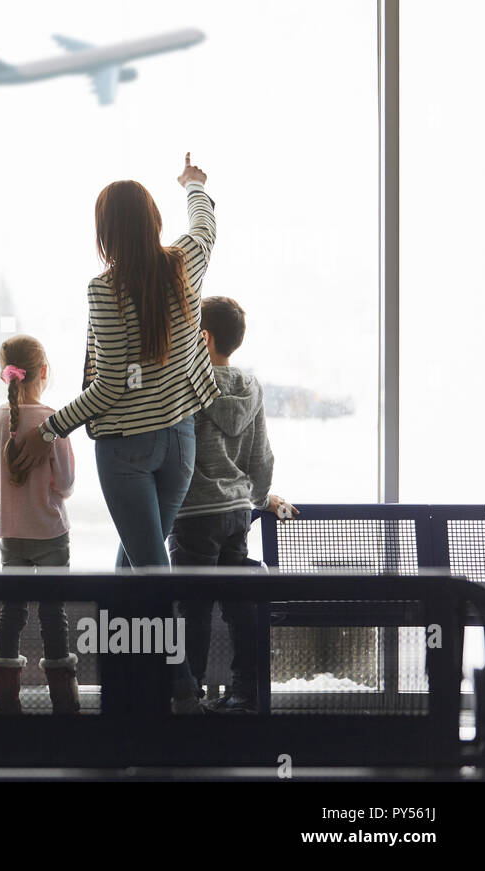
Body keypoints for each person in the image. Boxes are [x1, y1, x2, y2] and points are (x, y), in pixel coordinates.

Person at [12, 152, 215, 713]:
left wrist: (47, 430)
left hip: (128, 450)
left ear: (105, 234)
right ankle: (126, 685)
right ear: (153, 222)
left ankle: (180, 692)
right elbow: (205, 226)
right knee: (136, 559)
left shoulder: (106, 291)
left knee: (149, 569)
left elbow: (108, 391)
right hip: (181, 441)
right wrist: (195, 185)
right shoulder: (186, 263)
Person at [167, 296, 297, 713]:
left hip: (192, 515)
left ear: (202, 337)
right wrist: (256, 498)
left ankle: (190, 696)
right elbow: (262, 457)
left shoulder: (187, 384)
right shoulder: (250, 387)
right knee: (237, 600)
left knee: (194, 607)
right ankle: (245, 690)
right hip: (236, 513)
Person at [0, 335, 78, 714]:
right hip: (52, 534)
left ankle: (5, 698)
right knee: (54, 612)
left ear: (6, 375)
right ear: (44, 372)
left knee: (11, 610)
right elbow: (65, 485)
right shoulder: (54, 423)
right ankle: (63, 699)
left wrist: (10, 492)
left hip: (10, 535)